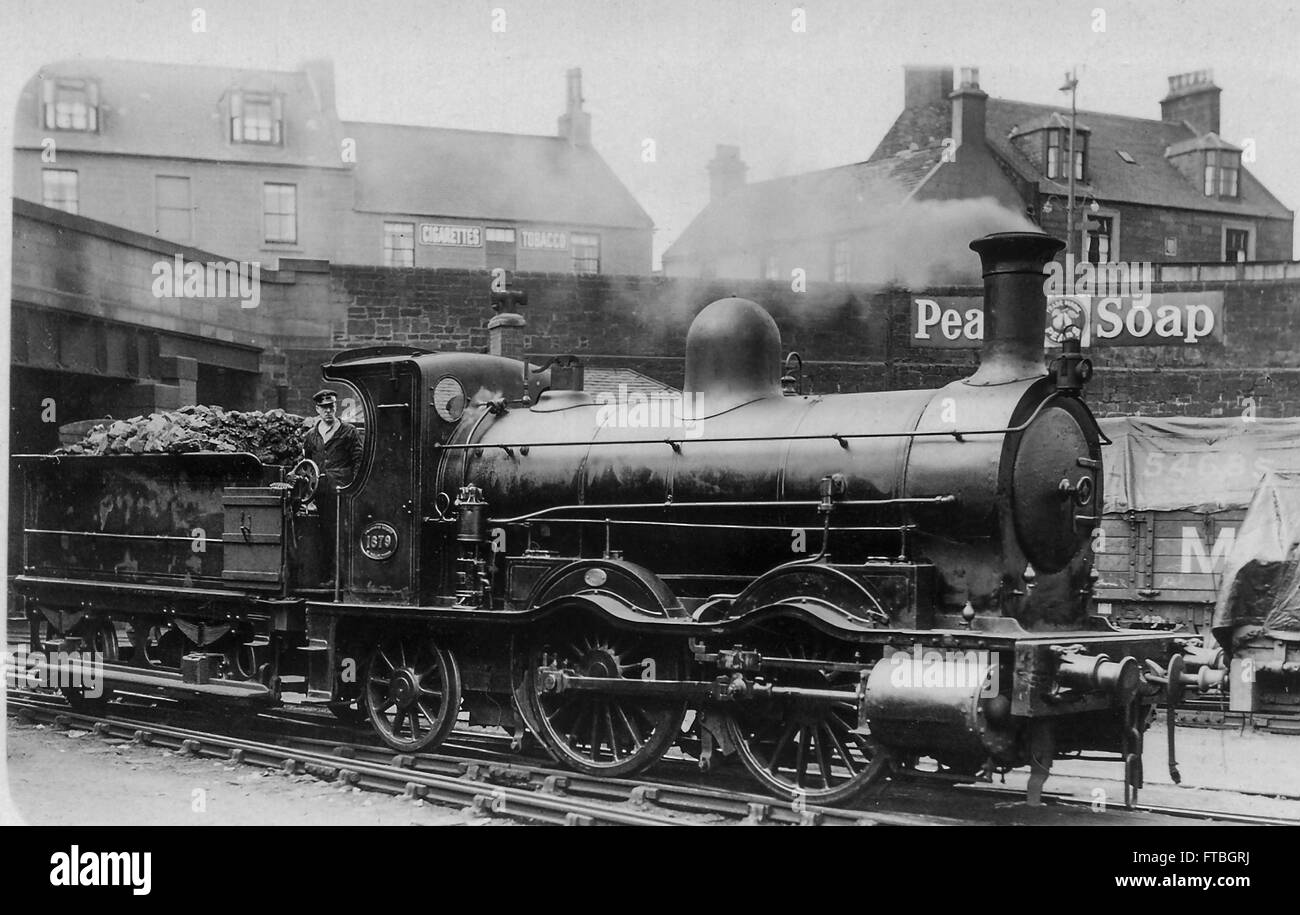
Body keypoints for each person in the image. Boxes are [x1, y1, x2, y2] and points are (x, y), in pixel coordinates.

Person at [302, 389, 363, 585]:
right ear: (317, 409)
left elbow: (358, 460)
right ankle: (328, 576)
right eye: (325, 408)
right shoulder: (311, 435)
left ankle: (342, 578)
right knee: (325, 533)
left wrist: (354, 488)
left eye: (332, 407)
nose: (329, 411)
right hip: (320, 492)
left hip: (343, 490)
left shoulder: (348, 431)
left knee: (342, 532)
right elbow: (307, 465)